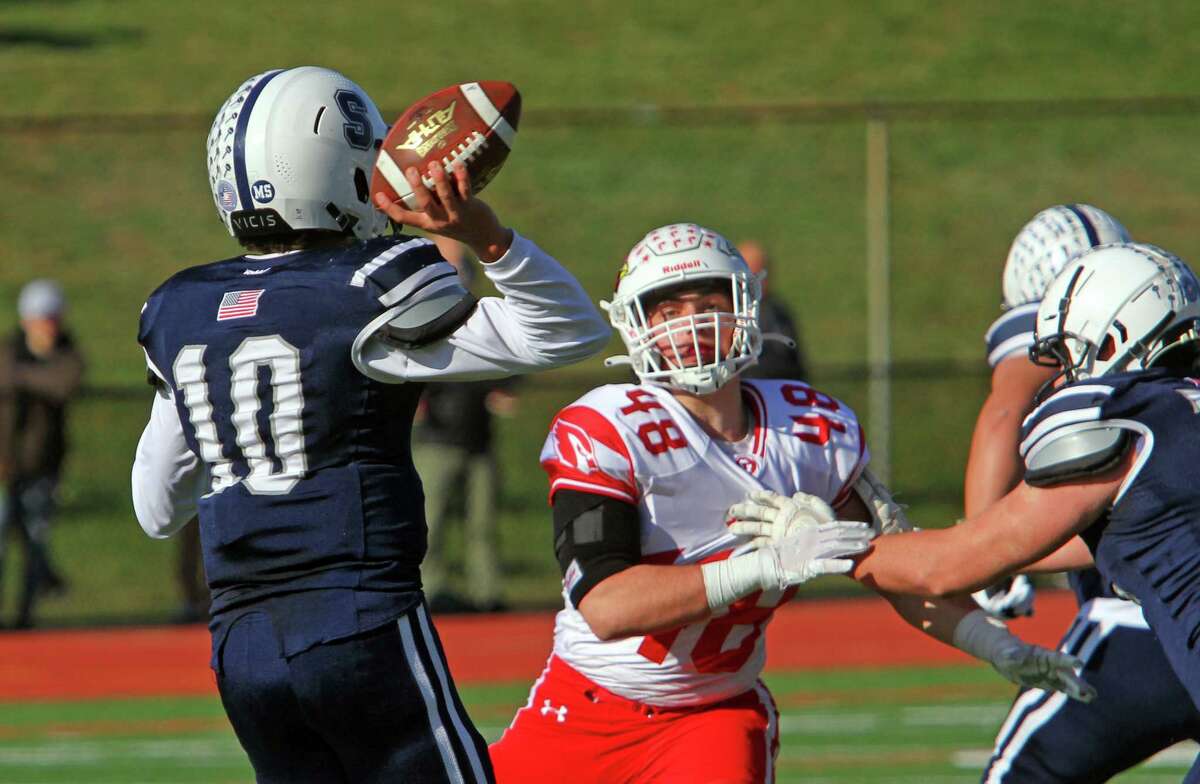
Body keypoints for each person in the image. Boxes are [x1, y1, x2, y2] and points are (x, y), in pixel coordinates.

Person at [131, 66, 609, 784]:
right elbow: (570, 333)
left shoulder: (182, 307)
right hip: (355, 618)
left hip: (241, 645)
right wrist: (484, 234)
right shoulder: (368, 285)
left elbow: (156, 509)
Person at [489, 223, 1088, 784]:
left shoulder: (809, 431)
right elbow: (606, 604)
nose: (689, 326)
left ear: (744, 306)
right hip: (583, 704)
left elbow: (894, 569)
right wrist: (762, 566)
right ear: (636, 324)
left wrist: (996, 645)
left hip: (711, 715)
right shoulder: (610, 427)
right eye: (667, 311)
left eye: (707, 305)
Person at [735, 242, 1200, 782]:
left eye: (1071, 350)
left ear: (1115, 338)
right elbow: (1108, 536)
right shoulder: (1181, 416)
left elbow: (952, 566)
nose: (1064, 372)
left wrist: (827, 545)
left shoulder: (1126, 422)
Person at [964, 206, 1200, 782]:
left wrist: (986, 553)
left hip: (1140, 620)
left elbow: (1002, 412)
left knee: (1023, 772)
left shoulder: (1079, 337)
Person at [414, 237, 515, 613]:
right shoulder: (424, 319)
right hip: (438, 439)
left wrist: (504, 390)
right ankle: (430, 589)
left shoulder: (484, 321)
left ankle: (487, 593)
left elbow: (506, 366)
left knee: (482, 525)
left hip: (478, 440)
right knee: (431, 523)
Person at [0, 279, 83, 629]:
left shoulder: (66, 352)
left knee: (36, 541)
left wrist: (21, 377)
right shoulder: (9, 348)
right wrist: (31, 374)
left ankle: (25, 618)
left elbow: (63, 383)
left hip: (43, 468)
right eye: (39, 318)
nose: (45, 326)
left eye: (50, 318)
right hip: (4, 469)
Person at [736, 240, 809, 381]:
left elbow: (797, 362)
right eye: (752, 273)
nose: (759, 281)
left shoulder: (778, 312)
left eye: (762, 273)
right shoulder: (730, 316)